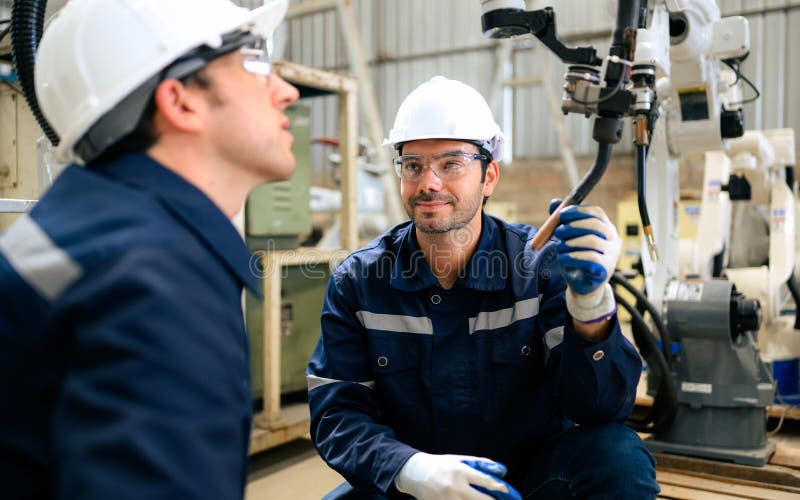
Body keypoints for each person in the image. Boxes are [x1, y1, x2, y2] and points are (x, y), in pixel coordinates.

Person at [307, 76, 659, 499]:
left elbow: (601, 409)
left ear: (489, 177)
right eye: (413, 165)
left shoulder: (538, 267)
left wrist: (590, 306)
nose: (428, 183)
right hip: (416, 485)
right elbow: (338, 416)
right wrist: (410, 468)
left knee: (618, 458)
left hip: (529, 482)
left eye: (451, 163)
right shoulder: (359, 282)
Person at [0, 0, 298, 498]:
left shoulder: (91, 227)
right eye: (254, 61)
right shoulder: (156, 281)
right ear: (180, 102)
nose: (286, 91)